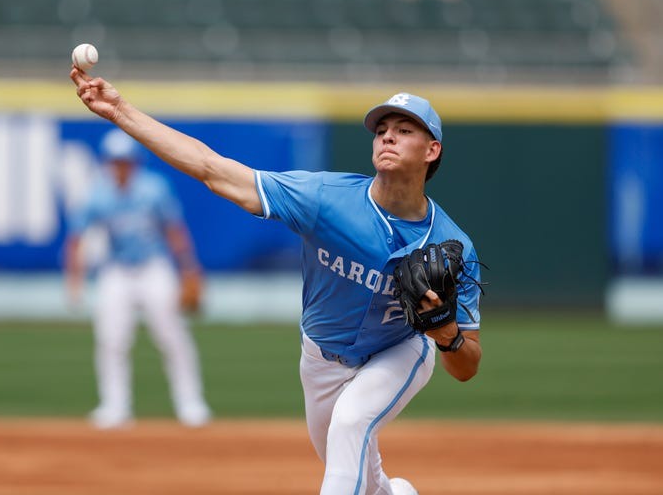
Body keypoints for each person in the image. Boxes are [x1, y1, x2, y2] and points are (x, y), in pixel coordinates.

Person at [69, 66, 483, 495]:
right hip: (321, 358)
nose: (387, 137)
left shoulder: (453, 246)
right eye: (381, 130)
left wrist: (446, 334)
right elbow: (211, 168)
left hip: (399, 349)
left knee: (350, 424)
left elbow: (467, 366)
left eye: (404, 130)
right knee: (353, 463)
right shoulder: (325, 200)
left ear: (432, 150)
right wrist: (120, 111)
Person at [64, 127, 212, 429]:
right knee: (111, 339)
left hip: (154, 266)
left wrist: (189, 269)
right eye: (115, 161)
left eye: (126, 161)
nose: (121, 166)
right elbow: (76, 238)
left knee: (172, 336)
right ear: (107, 162)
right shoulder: (98, 193)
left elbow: (174, 230)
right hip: (117, 269)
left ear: (135, 162)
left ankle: (190, 403)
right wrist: (74, 281)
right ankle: (115, 405)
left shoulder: (153, 188)